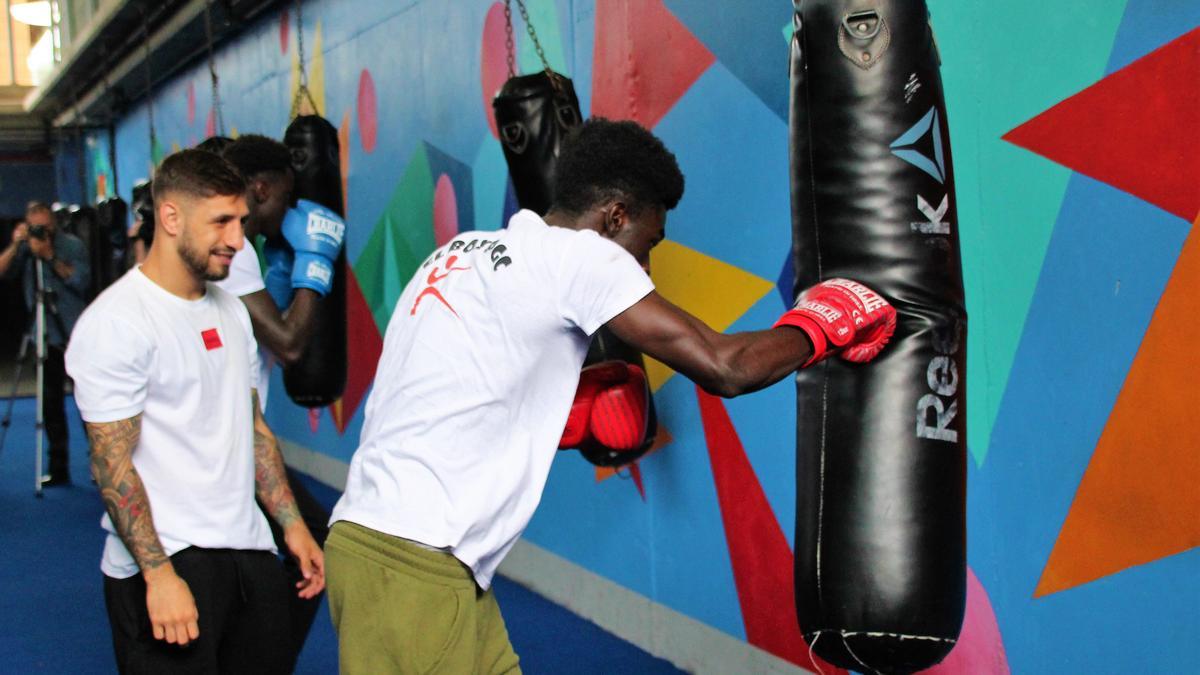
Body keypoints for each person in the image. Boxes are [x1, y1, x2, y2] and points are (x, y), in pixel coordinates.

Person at [324, 118, 897, 673]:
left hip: (404, 552)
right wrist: (823, 325)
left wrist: (555, 415)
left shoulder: (458, 253)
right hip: (411, 563)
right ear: (614, 216)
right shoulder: (583, 257)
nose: (645, 267)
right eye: (647, 243)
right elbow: (727, 368)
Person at [64, 149, 326, 674]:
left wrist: (293, 525)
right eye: (221, 222)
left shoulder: (230, 311)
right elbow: (110, 466)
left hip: (246, 551)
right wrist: (158, 577)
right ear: (170, 217)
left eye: (242, 222)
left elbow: (251, 429)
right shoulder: (117, 323)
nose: (237, 239)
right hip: (167, 563)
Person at [208, 132, 343, 669]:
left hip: (238, 437)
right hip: (229, 446)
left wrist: (285, 268)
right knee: (304, 548)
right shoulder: (234, 251)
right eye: (285, 198)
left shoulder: (234, 249)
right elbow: (289, 343)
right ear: (261, 190)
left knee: (294, 551)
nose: (288, 210)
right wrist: (315, 262)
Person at [0, 200, 90, 486]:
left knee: (89, 402)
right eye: (36, 227)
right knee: (50, 404)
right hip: (44, 335)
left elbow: (81, 282)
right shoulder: (25, 250)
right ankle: (58, 467)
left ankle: (100, 463)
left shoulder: (72, 245)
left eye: (46, 226)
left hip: (73, 333)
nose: (42, 233)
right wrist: (17, 245)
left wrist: (50, 256)